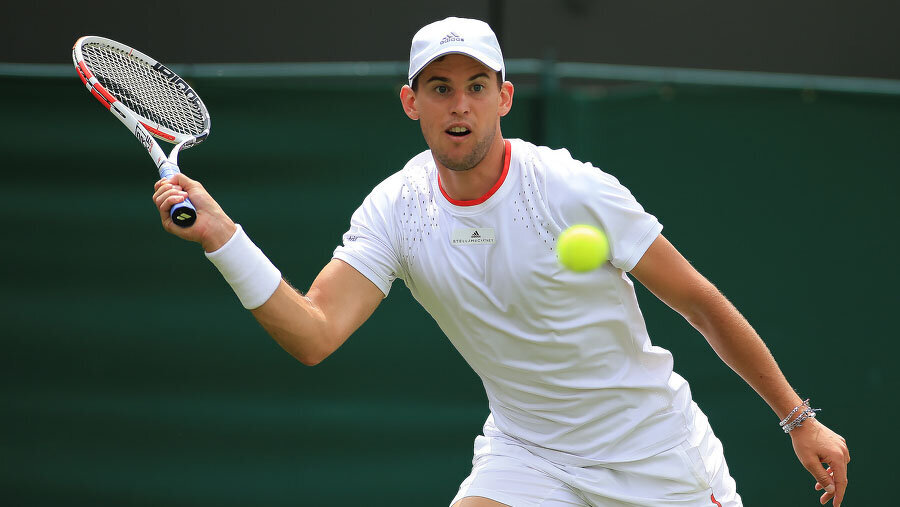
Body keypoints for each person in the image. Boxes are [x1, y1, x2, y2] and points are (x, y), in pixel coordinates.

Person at [152, 17, 849, 507]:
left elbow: (700, 301)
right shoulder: (396, 209)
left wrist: (799, 418)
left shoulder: (572, 190)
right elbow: (314, 333)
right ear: (411, 102)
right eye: (440, 88)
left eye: (477, 86)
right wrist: (223, 237)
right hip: (529, 454)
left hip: (653, 459)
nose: (460, 106)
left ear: (504, 97)